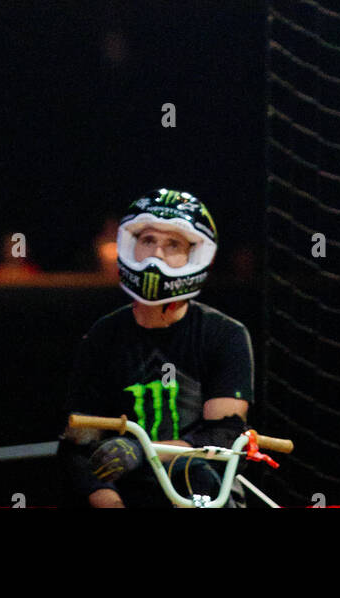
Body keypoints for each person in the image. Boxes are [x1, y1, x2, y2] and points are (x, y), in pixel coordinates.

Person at [59, 189, 255, 508]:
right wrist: (109, 501)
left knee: (199, 471)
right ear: (130, 246)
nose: (156, 255)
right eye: (148, 240)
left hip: (199, 493)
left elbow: (224, 440)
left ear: (195, 254)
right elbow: (79, 446)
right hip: (124, 494)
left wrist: (143, 450)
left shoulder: (226, 335)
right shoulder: (102, 336)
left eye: (173, 244)